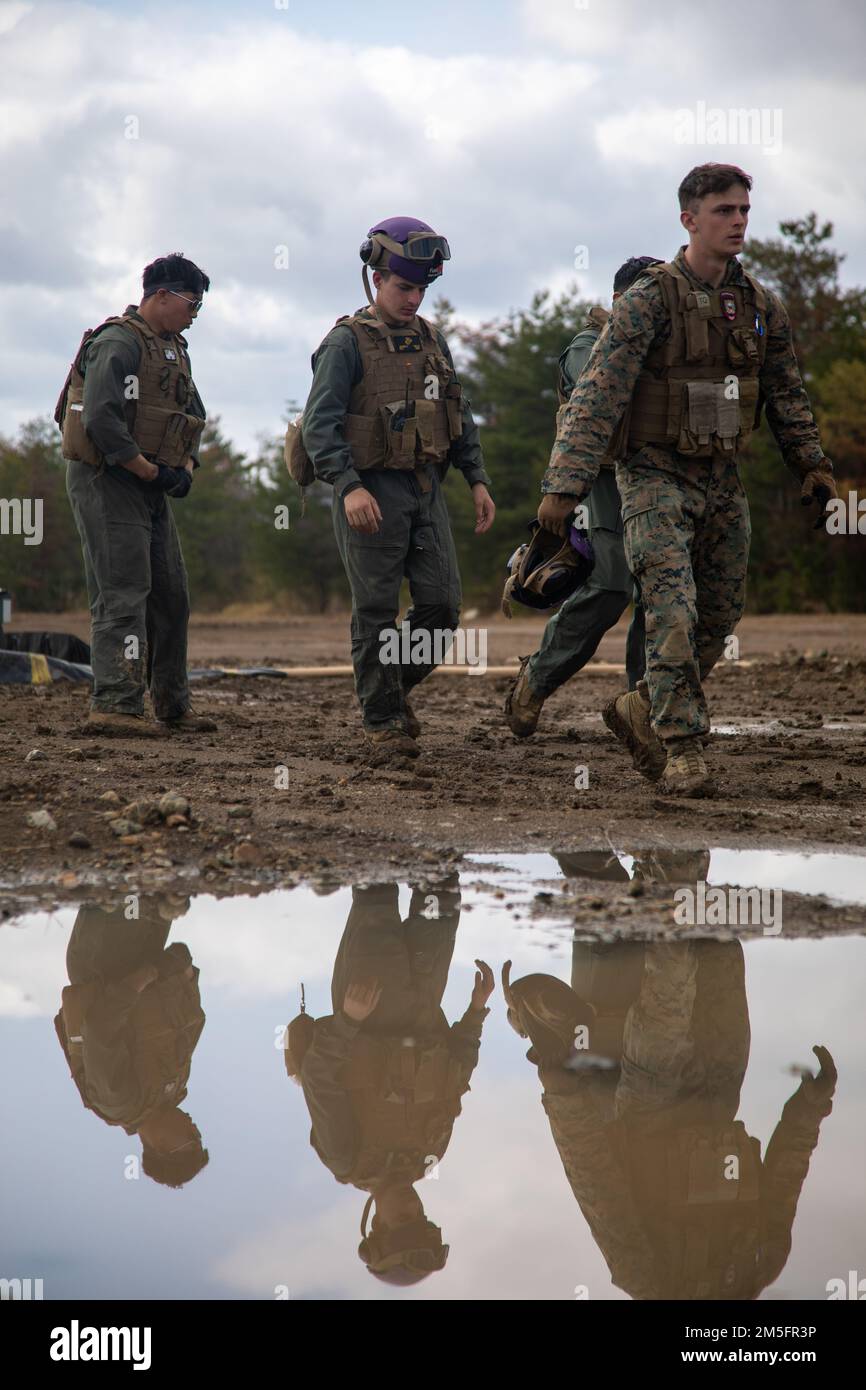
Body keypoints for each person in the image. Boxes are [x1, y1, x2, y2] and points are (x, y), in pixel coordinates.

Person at [537, 165, 837, 795]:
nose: (737, 222)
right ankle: (683, 748)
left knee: (720, 614)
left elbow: (784, 392)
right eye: (724, 211)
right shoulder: (649, 299)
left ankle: (641, 704)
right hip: (653, 475)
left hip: (721, 476)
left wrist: (812, 465)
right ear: (689, 220)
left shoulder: (758, 305)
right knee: (672, 609)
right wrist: (564, 485)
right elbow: (597, 395)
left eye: (744, 211)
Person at [301, 218, 495, 758]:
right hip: (371, 491)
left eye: (421, 289)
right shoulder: (345, 344)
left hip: (426, 489)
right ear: (377, 279)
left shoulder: (431, 339)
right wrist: (347, 485)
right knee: (376, 610)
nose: (413, 299)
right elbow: (320, 425)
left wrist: (476, 478)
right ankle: (381, 720)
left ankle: (391, 688)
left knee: (442, 608)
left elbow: (458, 412)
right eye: (403, 287)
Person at [283, 880, 493, 1282]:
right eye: (419, 1215)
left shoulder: (347, 1160)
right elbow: (456, 1078)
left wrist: (348, 1020)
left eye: (402, 1218)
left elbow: (320, 1078)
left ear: (377, 1225)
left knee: (376, 888)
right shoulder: (430, 1153)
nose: (412, 1207)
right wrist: (474, 1014)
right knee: (441, 893)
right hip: (426, 998)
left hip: (370, 1004)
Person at [58, 252, 216, 738]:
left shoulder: (174, 348)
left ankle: (172, 704)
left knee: (171, 596)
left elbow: (194, 413)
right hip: (109, 479)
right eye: (192, 302)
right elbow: (102, 420)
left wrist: (184, 468)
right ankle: (116, 705)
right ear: (161, 295)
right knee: (123, 592)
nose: (196, 312)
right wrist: (149, 471)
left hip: (149, 484)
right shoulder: (117, 343)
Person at [506, 257, 661, 738]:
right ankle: (536, 679)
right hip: (601, 482)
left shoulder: (664, 349)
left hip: (656, 481)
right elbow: (600, 407)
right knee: (612, 586)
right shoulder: (588, 347)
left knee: (660, 597)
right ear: (622, 301)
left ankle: (646, 708)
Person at [54, 895, 208, 1189]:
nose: (195, 1128)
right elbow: (191, 1025)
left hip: (104, 961)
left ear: (162, 1146)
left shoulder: (119, 1103)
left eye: (192, 1139)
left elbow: (100, 1028)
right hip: (147, 955)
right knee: (160, 872)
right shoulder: (173, 1088)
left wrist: (138, 982)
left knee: (124, 875)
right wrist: (184, 974)